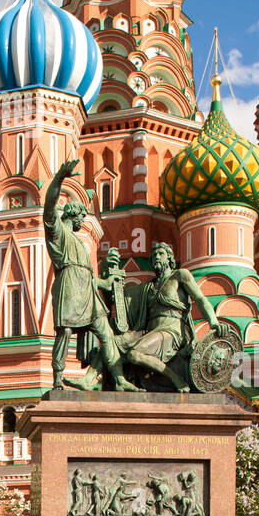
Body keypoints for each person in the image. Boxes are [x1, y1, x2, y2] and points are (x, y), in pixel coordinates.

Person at [43, 159, 135, 391]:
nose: (83, 222)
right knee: (64, 331)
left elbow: (89, 277)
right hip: (69, 288)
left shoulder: (78, 243)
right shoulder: (57, 231)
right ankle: (57, 378)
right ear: (73, 215)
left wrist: (104, 282)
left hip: (88, 291)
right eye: (81, 218)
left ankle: (119, 378)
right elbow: (49, 205)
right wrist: (59, 178)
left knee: (105, 332)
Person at [119, 241, 230, 393]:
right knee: (113, 342)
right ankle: (92, 380)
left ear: (169, 258)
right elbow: (123, 296)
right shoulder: (148, 287)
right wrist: (110, 275)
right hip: (148, 330)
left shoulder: (180, 275)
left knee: (134, 354)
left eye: (161, 254)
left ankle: (175, 378)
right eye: (153, 256)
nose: (156, 257)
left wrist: (214, 322)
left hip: (171, 330)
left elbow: (201, 300)